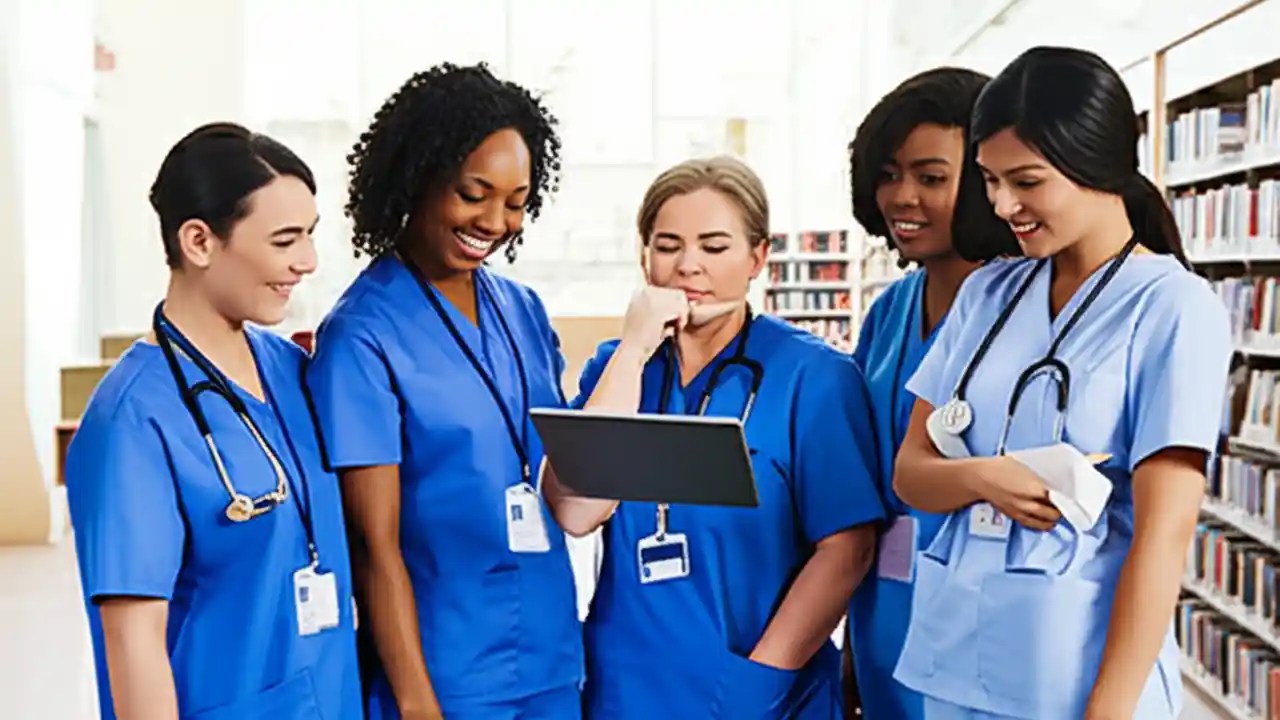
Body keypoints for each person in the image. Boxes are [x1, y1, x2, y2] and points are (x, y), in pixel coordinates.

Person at [891, 46, 1231, 720]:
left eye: (1027, 181)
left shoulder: (1172, 307)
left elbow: (1163, 535)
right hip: (956, 661)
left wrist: (1106, 713)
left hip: (1074, 676)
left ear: (1097, 165)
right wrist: (987, 478)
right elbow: (910, 472)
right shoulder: (989, 292)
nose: (1004, 204)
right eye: (990, 181)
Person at [542, 156, 886, 719]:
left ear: (758, 257)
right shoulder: (619, 369)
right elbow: (577, 511)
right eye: (668, 245)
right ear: (645, 256)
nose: (688, 266)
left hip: (761, 691)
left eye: (714, 246)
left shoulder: (812, 376)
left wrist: (759, 683)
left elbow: (848, 550)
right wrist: (632, 349)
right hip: (628, 688)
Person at [305, 62, 583, 720]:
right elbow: (375, 547)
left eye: (516, 203)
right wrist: (415, 700)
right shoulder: (361, 338)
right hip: (446, 672)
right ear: (419, 176)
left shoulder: (523, 310)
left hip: (548, 656)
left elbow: (558, 470)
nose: (495, 221)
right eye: (472, 193)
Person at [65, 122, 363, 720]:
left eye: (310, 236)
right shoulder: (132, 421)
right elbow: (133, 641)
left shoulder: (293, 372)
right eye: (284, 241)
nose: (306, 262)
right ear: (199, 241)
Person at [843, 67, 1019, 720]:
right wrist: (849, 650)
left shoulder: (1024, 309)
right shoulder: (890, 311)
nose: (902, 197)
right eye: (888, 174)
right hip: (882, 605)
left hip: (979, 614)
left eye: (930, 177)